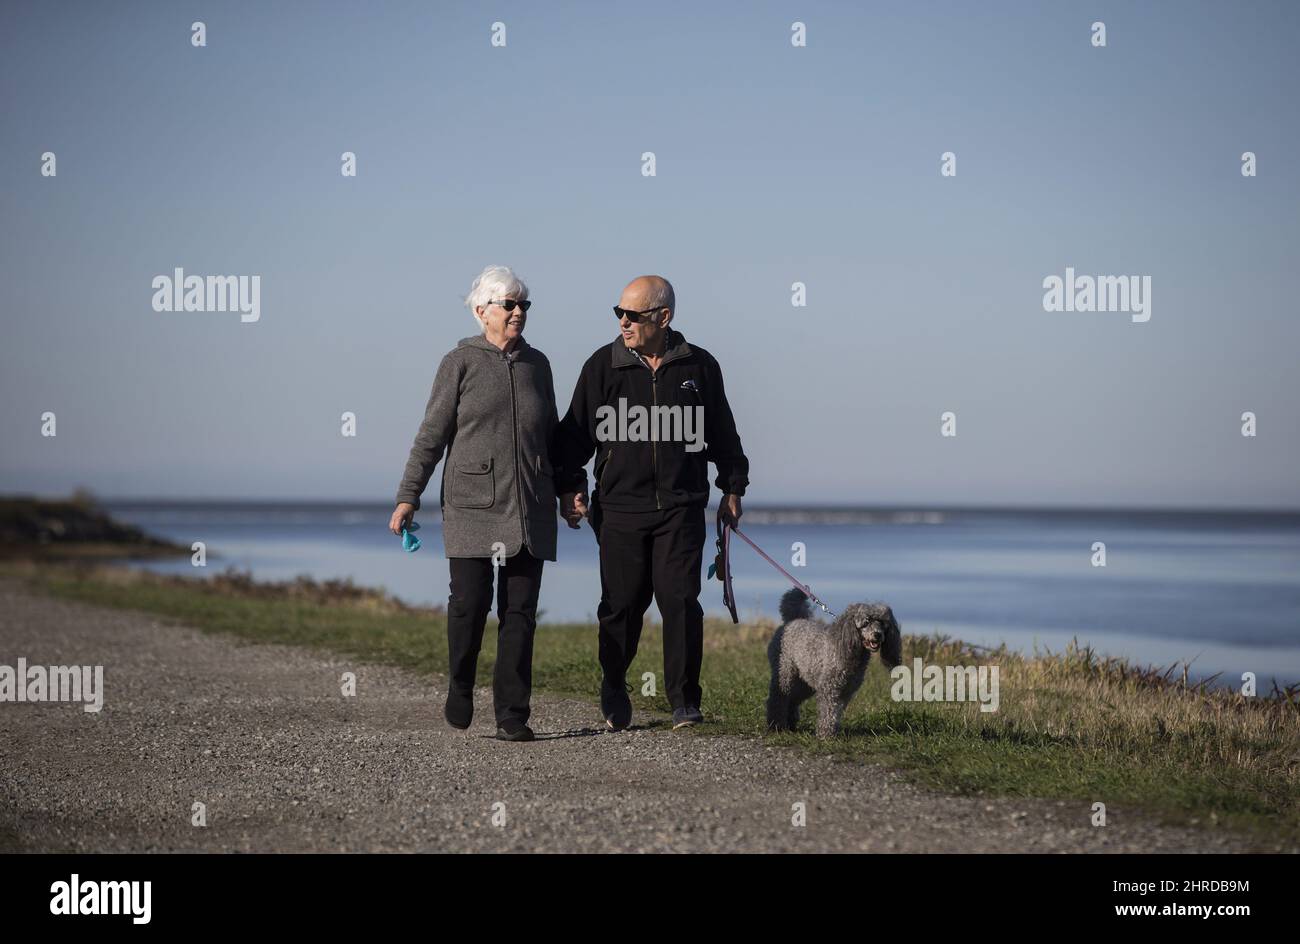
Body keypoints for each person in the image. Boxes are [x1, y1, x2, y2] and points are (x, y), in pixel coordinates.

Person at [555, 275, 749, 731]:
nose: (623, 322)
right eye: (618, 313)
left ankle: (684, 700)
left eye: (633, 315)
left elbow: (723, 433)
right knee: (621, 605)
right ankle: (614, 684)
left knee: (681, 601)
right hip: (619, 510)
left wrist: (733, 488)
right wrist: (570, 485)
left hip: (681, 508)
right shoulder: (603, 367)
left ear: (663, 318)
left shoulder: (699, 367)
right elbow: (572, 438)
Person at [390, 265, 561, 742]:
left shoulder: (538, 365)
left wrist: (570, 491)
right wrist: (409, 496)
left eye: (524, 304)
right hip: (471, 505)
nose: (519, 312)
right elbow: (432, 435)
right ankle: (460, 684)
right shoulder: (458, 362)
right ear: (483, 310)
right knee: (469, 605)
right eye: (510, 304)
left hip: (529, 504)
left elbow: (553, 437)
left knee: (521, 613)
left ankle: (512, 714)